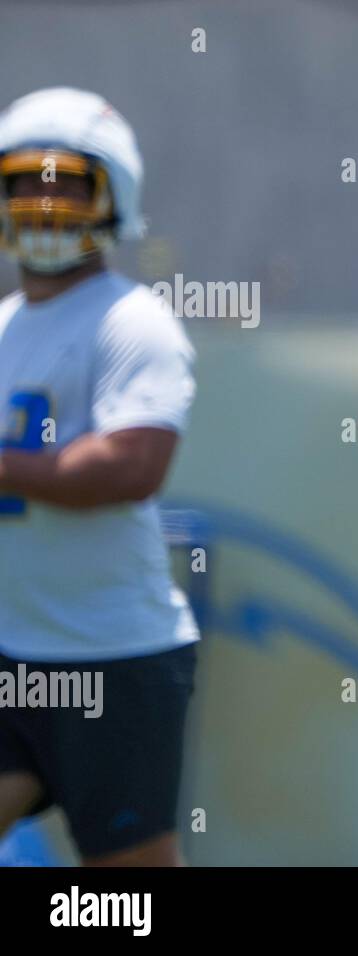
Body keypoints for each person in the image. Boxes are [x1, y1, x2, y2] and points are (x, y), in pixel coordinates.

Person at [0, 87, 199, 866]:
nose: (45, 203)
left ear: (113, 196)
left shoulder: (133, 320)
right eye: (27, 181)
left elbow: (130, 466)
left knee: (124, 899)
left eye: (67, 184)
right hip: (11, 653)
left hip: (112, 659)